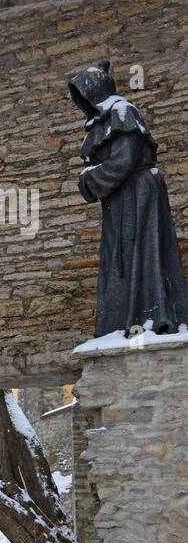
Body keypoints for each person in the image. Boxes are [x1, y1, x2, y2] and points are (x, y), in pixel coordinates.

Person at [69, 59, 188, 337]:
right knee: (119, 255)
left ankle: (152, 318)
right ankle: (123, 320)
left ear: (94, 90)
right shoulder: (107, 117)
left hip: (138, 193)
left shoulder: (123, 111)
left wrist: (88, 179)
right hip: (121, 197)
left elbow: (123, 160)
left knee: (143, 251)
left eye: (83, 93)